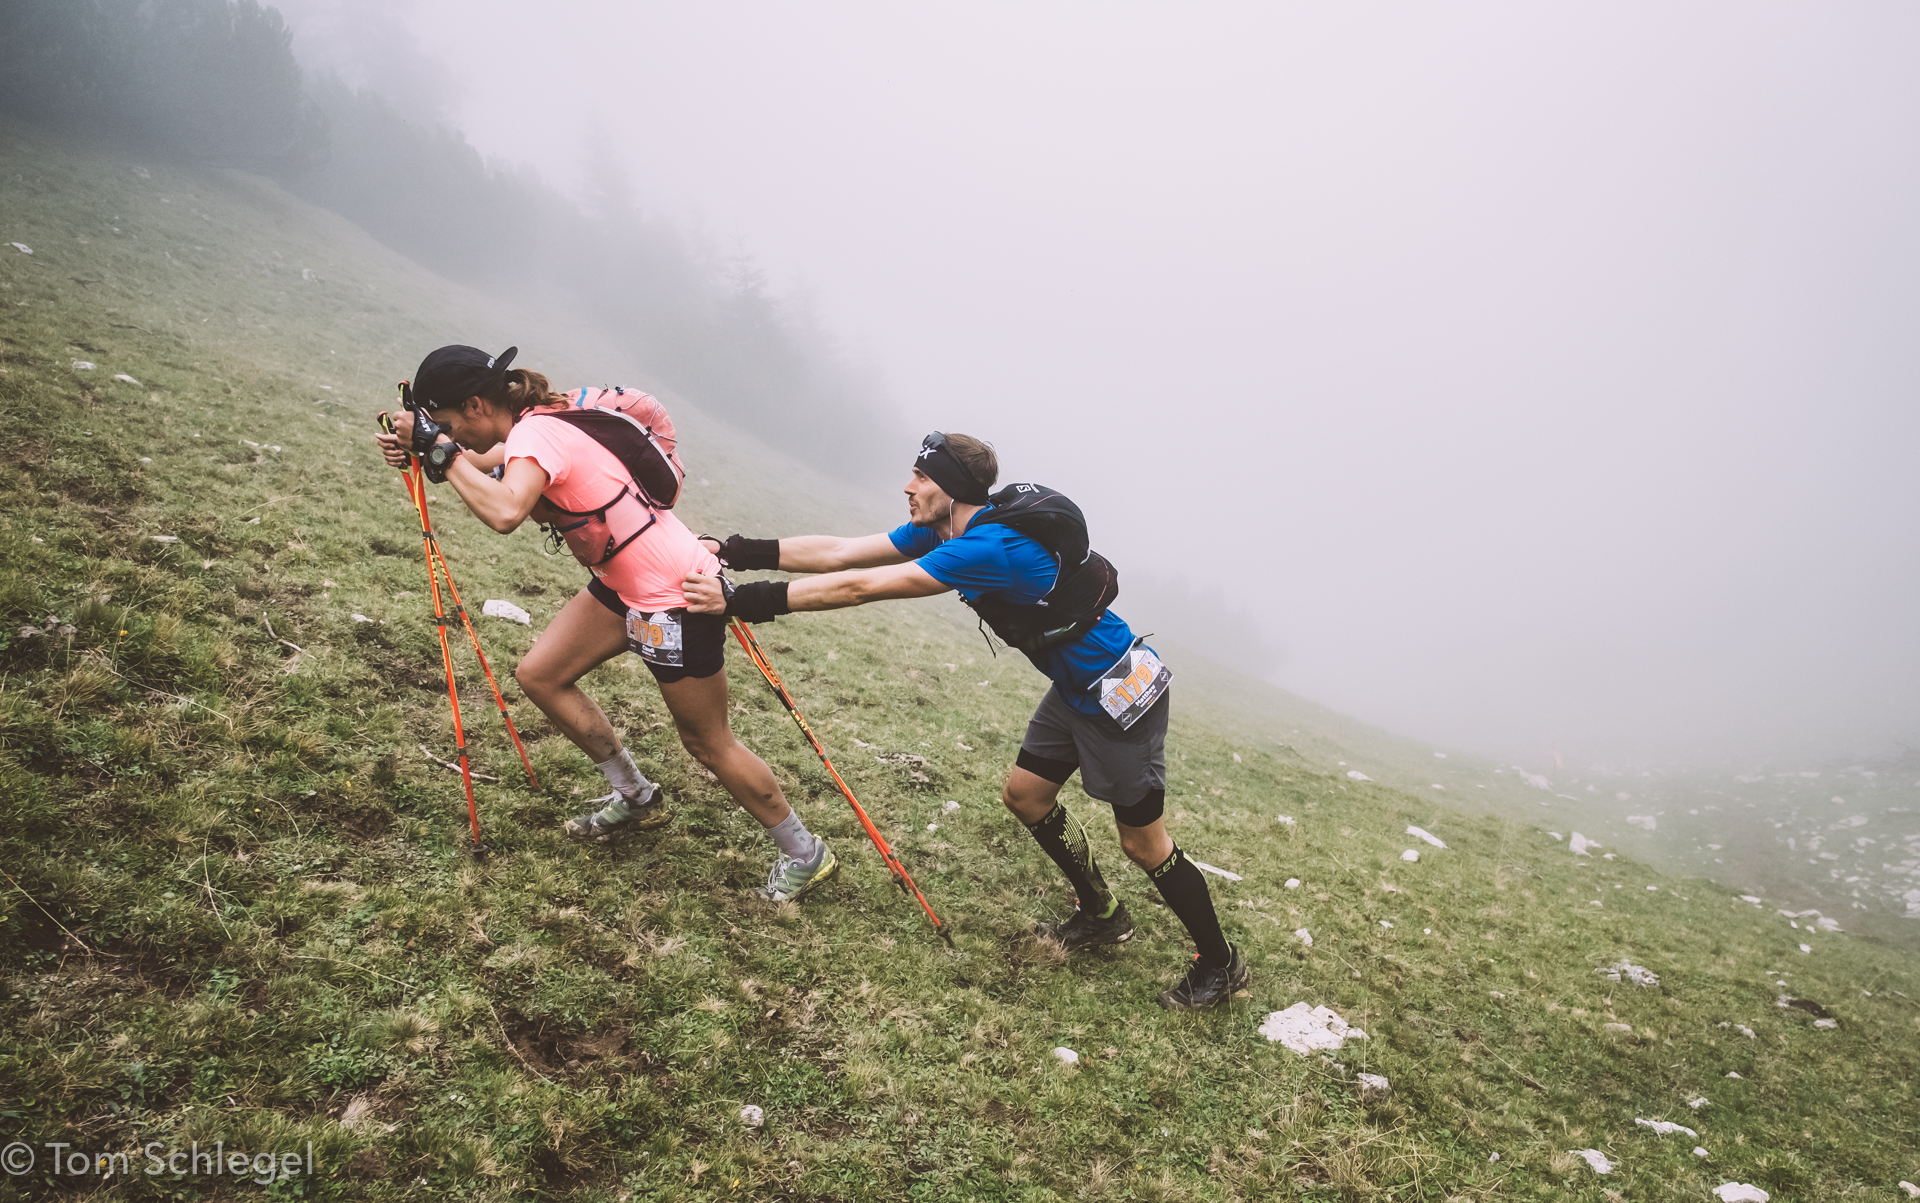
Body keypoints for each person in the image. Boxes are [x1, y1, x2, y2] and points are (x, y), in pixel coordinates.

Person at [683, 432, 1248, 1010]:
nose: (908, 487)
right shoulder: (944, 528)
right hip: (1075, 685)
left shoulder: (988, 547)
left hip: (1121, 691)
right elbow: (842, 554)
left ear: (951, 489)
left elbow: (858, 588)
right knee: (1027, 797)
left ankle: (1221, 963)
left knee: (1144, 845)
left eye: (921, 477)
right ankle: (1102, 914)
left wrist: (740, 601)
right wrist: (734, 549)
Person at [372, 344, 837, 902]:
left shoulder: (536, 434)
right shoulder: (532, 424)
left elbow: (505, 511)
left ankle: (805, 852)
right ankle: (637, 797)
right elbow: (481, 463)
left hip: (674, 595)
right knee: (541, 675)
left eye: (450, 424)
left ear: (475, 404)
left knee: (707, 741)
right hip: (623, 585)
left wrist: (438, 450)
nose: (457, 437)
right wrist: (427, 448)